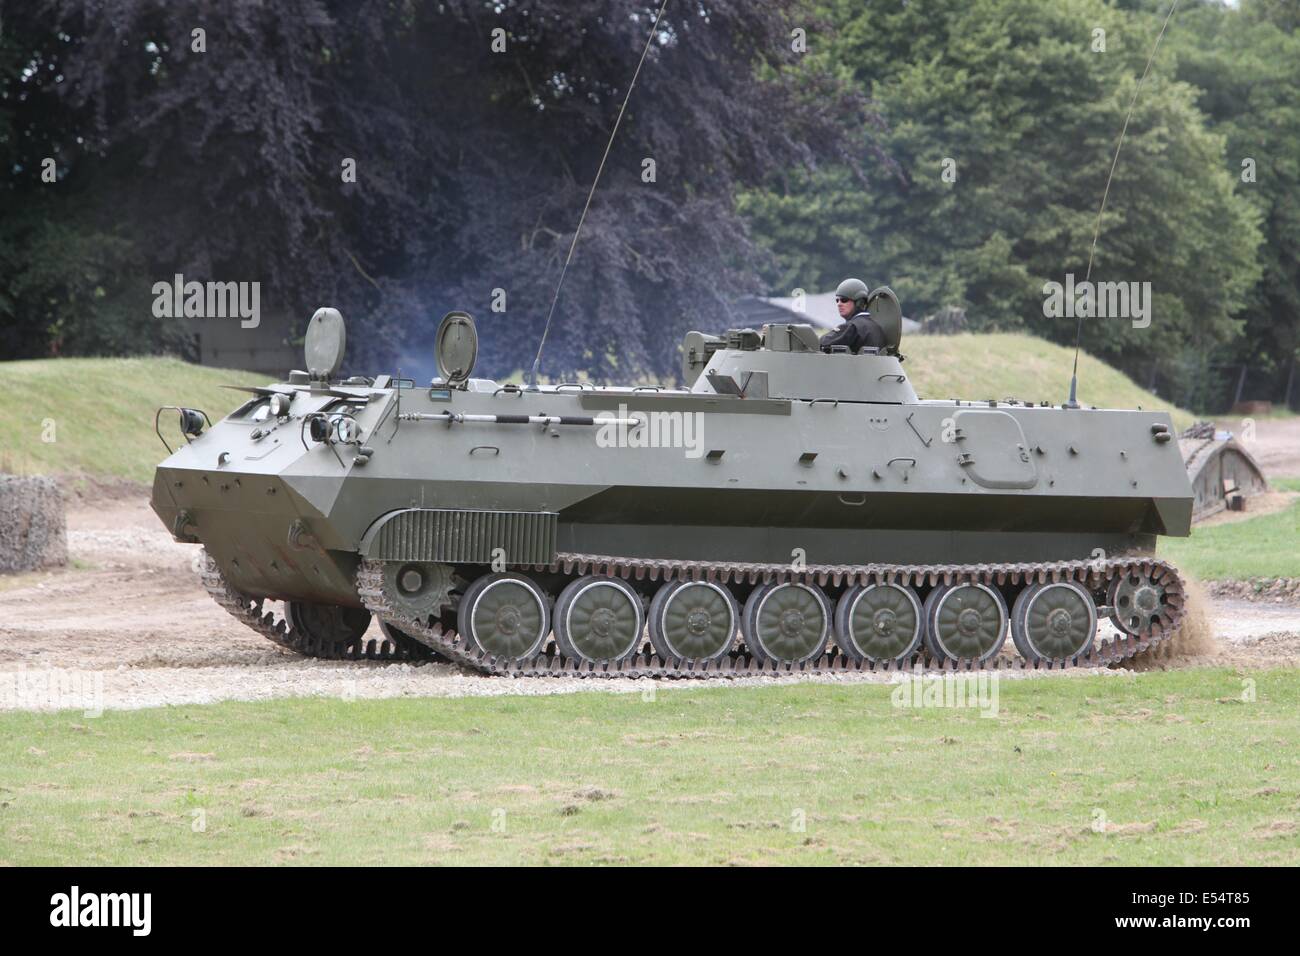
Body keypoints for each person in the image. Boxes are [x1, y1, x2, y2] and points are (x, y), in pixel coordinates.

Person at [820, 277, 886, 354]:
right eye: (837, 300)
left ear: (859, 302)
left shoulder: (852, 326)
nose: (839, 304)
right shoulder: (876, 327)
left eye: (844, 300)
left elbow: (823, 343)